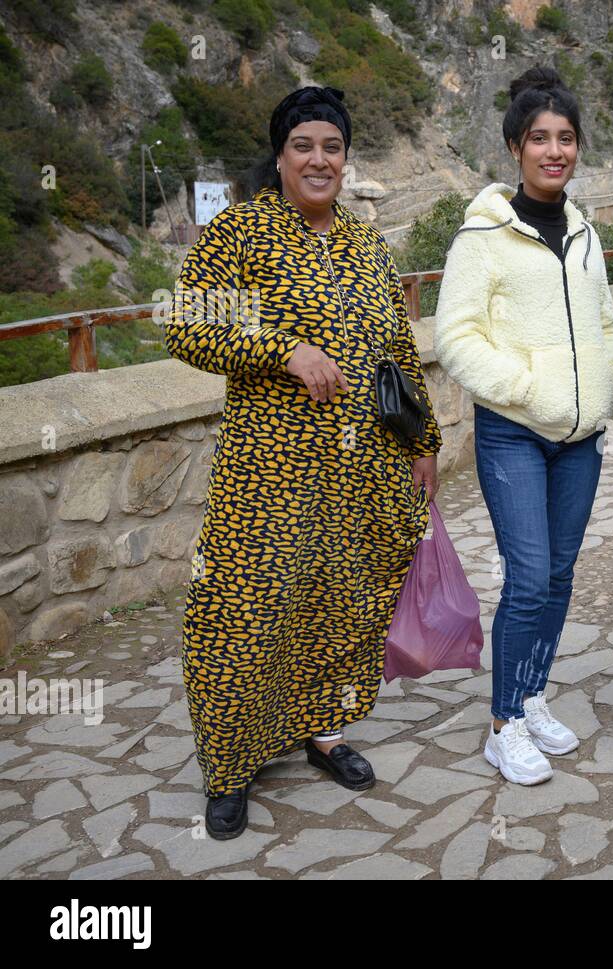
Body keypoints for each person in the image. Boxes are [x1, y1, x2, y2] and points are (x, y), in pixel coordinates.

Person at [166, 86, 441, 840]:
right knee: (243, 612)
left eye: (332, 147)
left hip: (363, 472)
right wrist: (280, 350)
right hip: (270, 474)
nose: (319, 160)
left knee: (344, 603)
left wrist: (425, 443)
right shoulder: (243, 231)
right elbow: (187, 325)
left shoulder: (366, 245)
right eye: (304, 146)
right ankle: (228, 766)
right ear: (281, 156)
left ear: (346, 159)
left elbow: (398, 353)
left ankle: (324, 731)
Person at [432, 67, 613, 786]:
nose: (555, 150)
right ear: (515, 146)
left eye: (566, 138)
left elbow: (603, 317)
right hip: (515, 433)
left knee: (562, 575)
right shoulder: (483, 234)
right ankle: (503, 724)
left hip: (580, 438)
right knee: (528, 580)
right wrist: (529, 389)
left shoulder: (583, 232)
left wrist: (598, 391)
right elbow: (455, 337)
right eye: (539, 137)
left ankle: (532, 694)